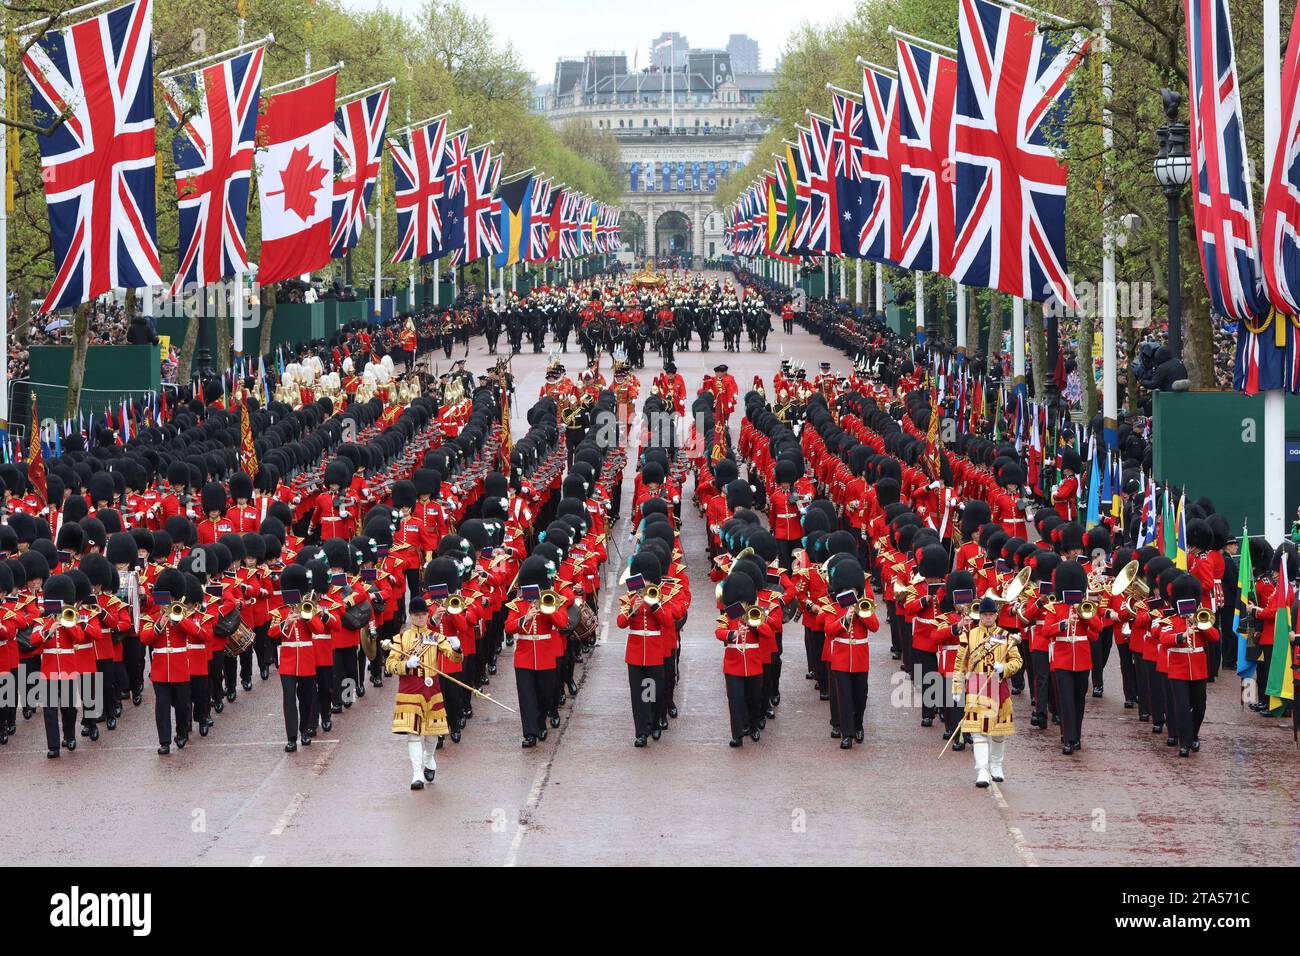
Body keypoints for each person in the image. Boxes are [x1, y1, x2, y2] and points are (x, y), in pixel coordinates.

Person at [384, 595, 462, 790]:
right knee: (413, 734)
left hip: (431, 689)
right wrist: (405, 665)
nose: (419, 618)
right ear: (411, 616)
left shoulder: (436, 638)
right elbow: (390, 665)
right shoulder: (401, 639)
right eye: (416, 615)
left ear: (427, 615)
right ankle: (417, 774)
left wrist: (457, 647)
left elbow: (455, 659)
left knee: (431, 735)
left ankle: (428, 757)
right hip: (409, 690)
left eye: (422, 615)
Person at [952, 596, 1023, 787]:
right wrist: (957, 687)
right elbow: (961, 662)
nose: (988, 618)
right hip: (977, 684)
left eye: (991, 614)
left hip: (998, 686)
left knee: (999, 732)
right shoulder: (970, 635)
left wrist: (1005, 668)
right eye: (984, 615)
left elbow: (1017, 661)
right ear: (980, 616)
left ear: (996, 615)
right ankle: (982, 770)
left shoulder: (1006, 636)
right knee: (978, 732)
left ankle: (997, 766)